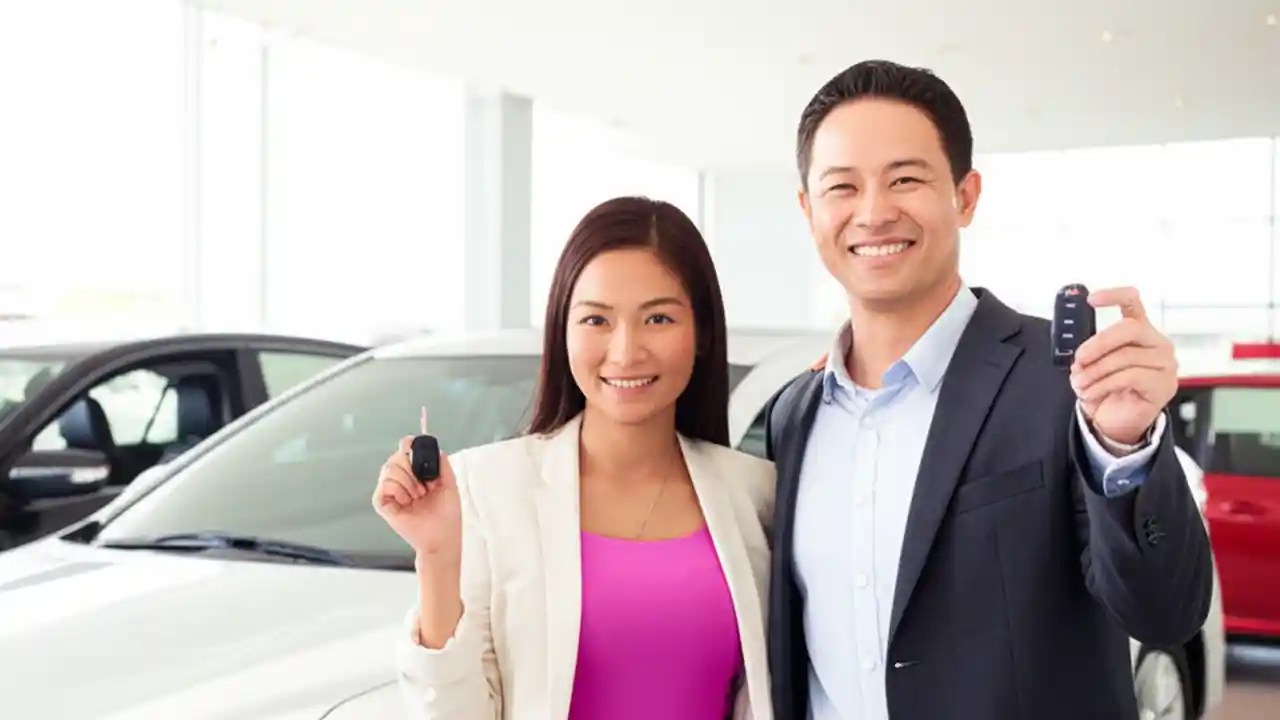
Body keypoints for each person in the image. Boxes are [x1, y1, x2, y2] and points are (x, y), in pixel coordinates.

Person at [763, 60, 1213, 719]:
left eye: (905, 179)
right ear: (809, 211)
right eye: (842, 187)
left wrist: (1127, 447)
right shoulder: (793, 415)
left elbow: (1165, 610)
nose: (873, 213)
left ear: (965, 196)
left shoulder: (1069, 385)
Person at [373, 196, 776, 719]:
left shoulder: (756, 495)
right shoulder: (490, 488)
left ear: (700, 334)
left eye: (658, 318)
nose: (626, 351)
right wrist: (435, 557)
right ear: (562, 332)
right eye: (596, 320)